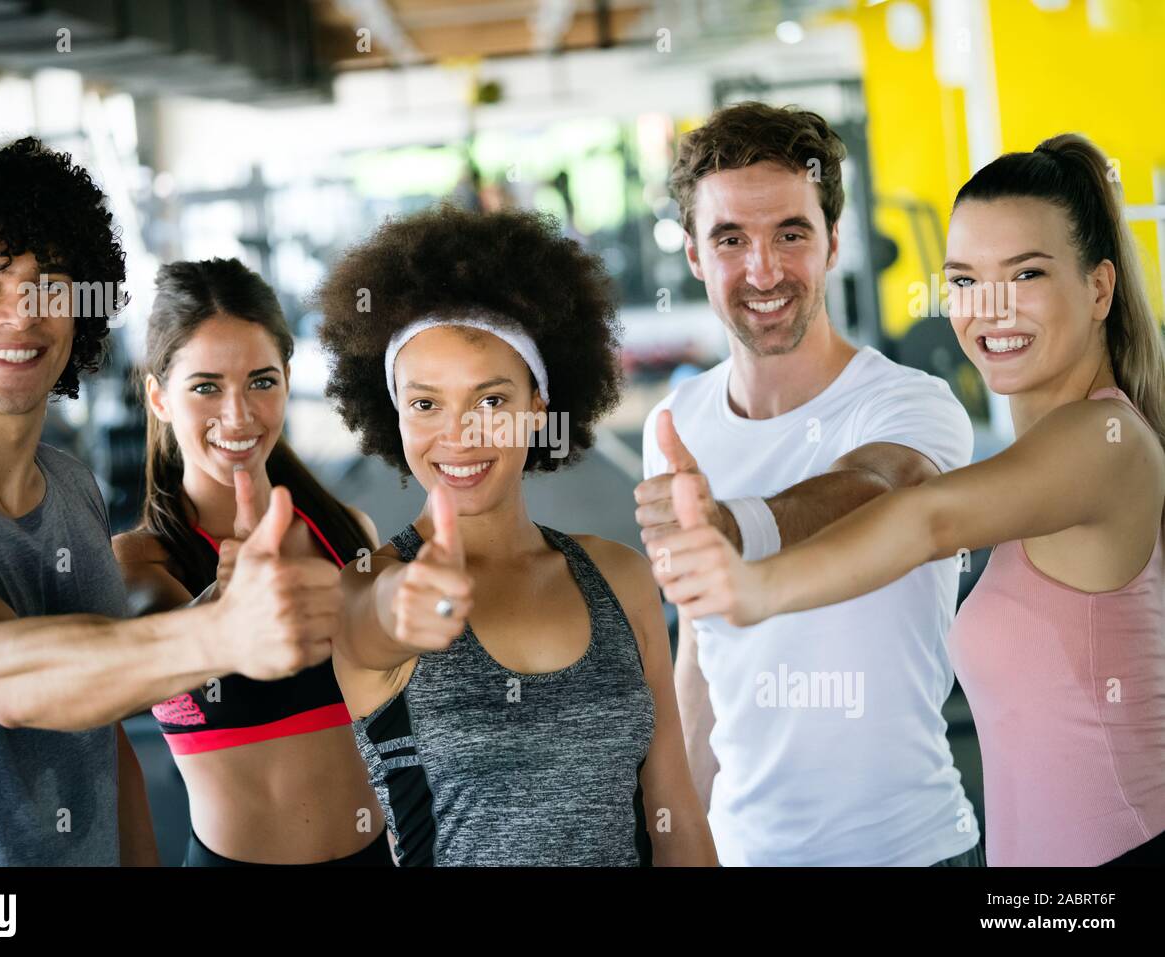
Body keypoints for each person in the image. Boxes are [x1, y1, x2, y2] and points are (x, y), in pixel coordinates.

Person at [658, 133, 1165, 867]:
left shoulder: (1105, 437)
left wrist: (751, 581)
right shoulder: (1059, 460)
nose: (988, 308)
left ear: (1098, 288)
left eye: (1024, 272)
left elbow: (925, 515)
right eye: (963, 280)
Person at [0, 135, 333, 865]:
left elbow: (104, 733)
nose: (22, 313)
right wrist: (223, 634)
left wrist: (217, 609)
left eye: (49, 283)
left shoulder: (71, 484)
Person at [318, 206, 717, 866]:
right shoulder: (372, 584)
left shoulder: (619, 576)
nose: (460, 434)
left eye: (492, 399)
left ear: (539, 404)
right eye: (425, 403)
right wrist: (406, 607)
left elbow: (672, 804)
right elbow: (371, 622)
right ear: (393, 408)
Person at [637, 102, 981, 866]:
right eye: (731, 239)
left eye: (791, 233)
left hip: (910, 850)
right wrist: (682, 842)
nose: (763, 270)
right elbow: (701, 651)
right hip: (744, 850)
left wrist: (739, 526)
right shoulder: (676, 422)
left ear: (832, 244)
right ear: (695, 254)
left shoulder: (909, 403)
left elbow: (884, 483)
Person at [112, 258, 392, 866]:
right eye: (206, 386)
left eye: (261, 381)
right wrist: (220, 608)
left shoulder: (349, 532)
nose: (238, 415)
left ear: (288, 380)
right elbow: (128, 675)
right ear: (159, 397)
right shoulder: (141, 562)